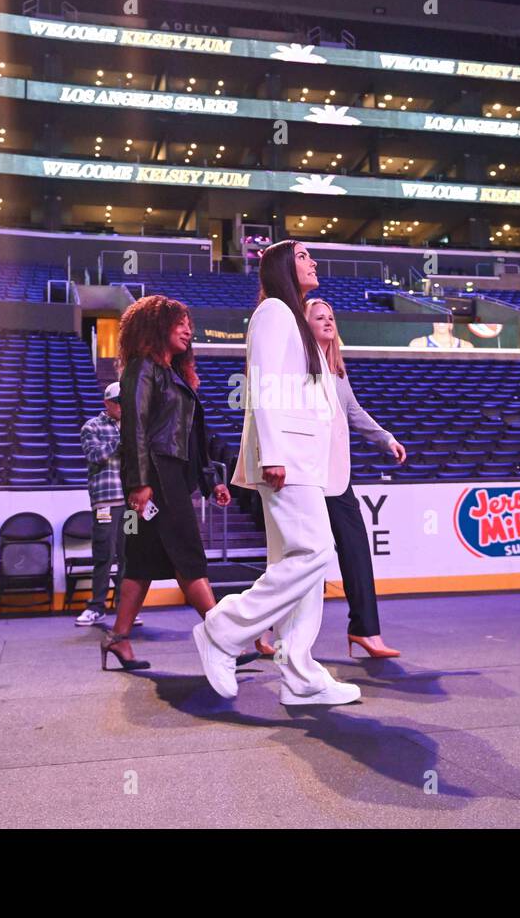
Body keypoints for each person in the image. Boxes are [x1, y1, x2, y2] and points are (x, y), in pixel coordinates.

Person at [193, 240, 360, 706]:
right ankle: (222, 632)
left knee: (298, 564)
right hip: (286, 458)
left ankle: (300, 675)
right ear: (285, 266)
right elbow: (263, 384)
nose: (314, 262)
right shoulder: (274, 313)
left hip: (303, 460)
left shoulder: (295, 318)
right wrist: (273, 454)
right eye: (305, 256)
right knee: (315, 552)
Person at [255, 298, 407, 659]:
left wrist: (385, 438)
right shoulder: (296, 362)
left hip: (335, 475)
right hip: (302, 472)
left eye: (331, 317)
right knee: (294, 556)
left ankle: (365, 630)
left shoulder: (337, 369)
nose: (328, 321)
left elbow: (352, 411)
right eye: (319, 317)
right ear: (303, 325)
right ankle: (263, 625)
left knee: (355, 547)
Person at [104, 295, 236, 670]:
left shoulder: (173, 375)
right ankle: (222, 639)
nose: (188, 330)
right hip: (158, 476)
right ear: (156, 326)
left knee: (142, 563)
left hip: (173, 473)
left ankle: (118, 639)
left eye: (189, 324)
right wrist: (139, 483)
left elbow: (193, 437)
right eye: (179, 323)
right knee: (188, 554)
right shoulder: (142, 368)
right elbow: (134, 428)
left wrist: (211, 481)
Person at [76, 381, 131, 627]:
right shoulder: (92, 427)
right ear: (107, 403)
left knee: (127, 555)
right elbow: (95, 456)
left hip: (130, 504)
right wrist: (122, 442)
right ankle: (97, 606)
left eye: (125, 401)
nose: (122, 406)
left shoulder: (134, 425)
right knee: (104, 554)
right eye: (118, 402)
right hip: (106, 502)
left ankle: (124, 608)